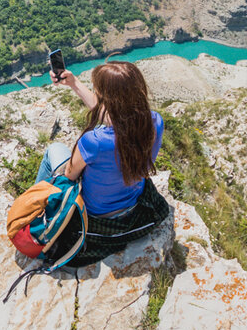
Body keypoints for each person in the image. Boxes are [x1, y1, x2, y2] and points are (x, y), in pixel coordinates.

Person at [37, 60, 164, 218]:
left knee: (54, 149)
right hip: (132, 204)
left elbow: (70, 175)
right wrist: (73, 83)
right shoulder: (154, 122)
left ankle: (37, 206)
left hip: (97, 213)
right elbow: (115, 117)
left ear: (107, 100)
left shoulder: (95, 141)